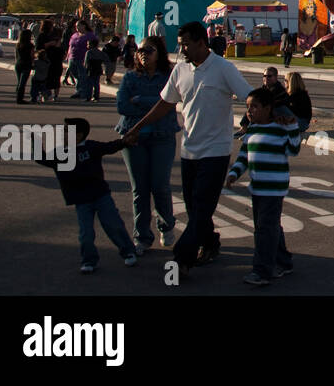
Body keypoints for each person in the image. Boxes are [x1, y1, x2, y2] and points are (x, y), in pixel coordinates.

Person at [121, 20, 254, 277]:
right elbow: (164, 104)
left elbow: (249, 96)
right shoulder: (180, 70)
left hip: (216, 151)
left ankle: (182, 259)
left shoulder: (224, 68)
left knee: (202, 207)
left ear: (202, 43)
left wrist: (266, 118)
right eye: (180, 45)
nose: (182, 50)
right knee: (195, 209)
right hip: (189, 150)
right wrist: (138, 127)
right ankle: (211, 243)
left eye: (186, 45)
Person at [33, 117, 140, 273]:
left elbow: (110, 146)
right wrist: (35, 143)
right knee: (86, 233)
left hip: (100, 195)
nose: (63, 134)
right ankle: (89, 260)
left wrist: (124, 141)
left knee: (113, 225)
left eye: (67, 131)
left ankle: (128, 252)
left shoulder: (91, 147)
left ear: (79, 135)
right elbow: (42, 159)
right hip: (81, 200)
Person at [226, 86, 301, 285]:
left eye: (255, 107)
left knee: (264, 230)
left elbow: (293, 150)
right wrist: (234, 174)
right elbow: (244, 156)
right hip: (257, 187)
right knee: (270, 227)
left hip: (273, 188)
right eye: (248, 107)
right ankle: (283, 262)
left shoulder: (280, 129)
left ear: (268, 108)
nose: (249, 111)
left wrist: (293, 128)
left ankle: (262, 271)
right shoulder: (252, 129)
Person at [116, 36, 178, 251]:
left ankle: (166, 224)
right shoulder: (130, 78)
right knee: (139, 189)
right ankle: (142, 236)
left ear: (159, 53)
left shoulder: (168, 78)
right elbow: (122, 106)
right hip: (134, 138)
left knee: (160, 185)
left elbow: (169, 103)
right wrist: (154, 108)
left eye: (149, 50)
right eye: (139, 50)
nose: (143, 54)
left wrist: (140, 100)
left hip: (162, 136)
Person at [65, 21, 97, 93]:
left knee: (82, 74)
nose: (77, 28)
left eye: (79, 26)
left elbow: (94, 46)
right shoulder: (74, 35)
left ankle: (80, 91)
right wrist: (68, 55)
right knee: (74, 72)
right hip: (72, 57)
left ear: (84, 26)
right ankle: (81, 88)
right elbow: (70, 46)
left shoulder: (90, 35)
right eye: (76, 26)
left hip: (83, 58)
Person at [14, 30, 33, 103]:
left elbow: (16, 55)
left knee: (19, 82)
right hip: (26, 64)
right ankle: (20, 99)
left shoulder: (18, 44)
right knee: (23, 83)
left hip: (19, 63)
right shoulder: (30, 45)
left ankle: (18, 96)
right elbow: (31, 55)